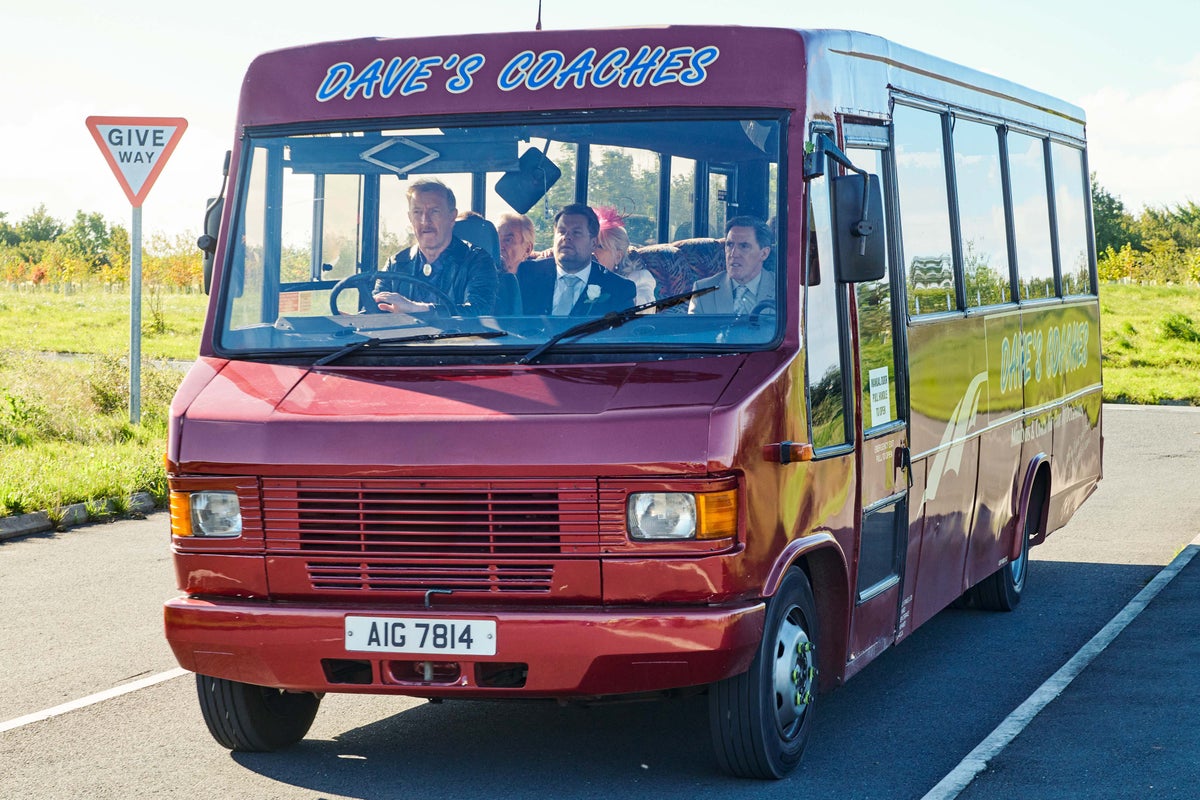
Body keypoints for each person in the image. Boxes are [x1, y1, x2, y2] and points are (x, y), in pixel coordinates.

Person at [373, 180, 498, 316]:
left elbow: (479, 311)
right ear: (410, 218)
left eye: (434, 211)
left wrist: (416, 309)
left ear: (452, 217)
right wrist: (347, 321)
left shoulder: (477, 261)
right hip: (403, 338)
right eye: (417, 212)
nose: (425, 220)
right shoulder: (396, 264)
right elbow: (373, 312)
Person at [517, 203, 636, 317]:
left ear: (593, 243)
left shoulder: (619, 289)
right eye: (562, 231)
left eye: (576, 233)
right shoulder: (526, 273)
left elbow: (620, 336)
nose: (566, 237)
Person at [688, 216, 776, 315]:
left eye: (744, 246)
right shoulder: (703, 291)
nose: (733, 254)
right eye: (729, 245)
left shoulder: (782, 290)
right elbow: (694, 330)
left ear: (764, 253)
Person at [593, 207, 657, 310]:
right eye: (591, 246)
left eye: (600, 247)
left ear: (618, 256)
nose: (592, 252)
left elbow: (643, 315)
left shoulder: (639, 279)